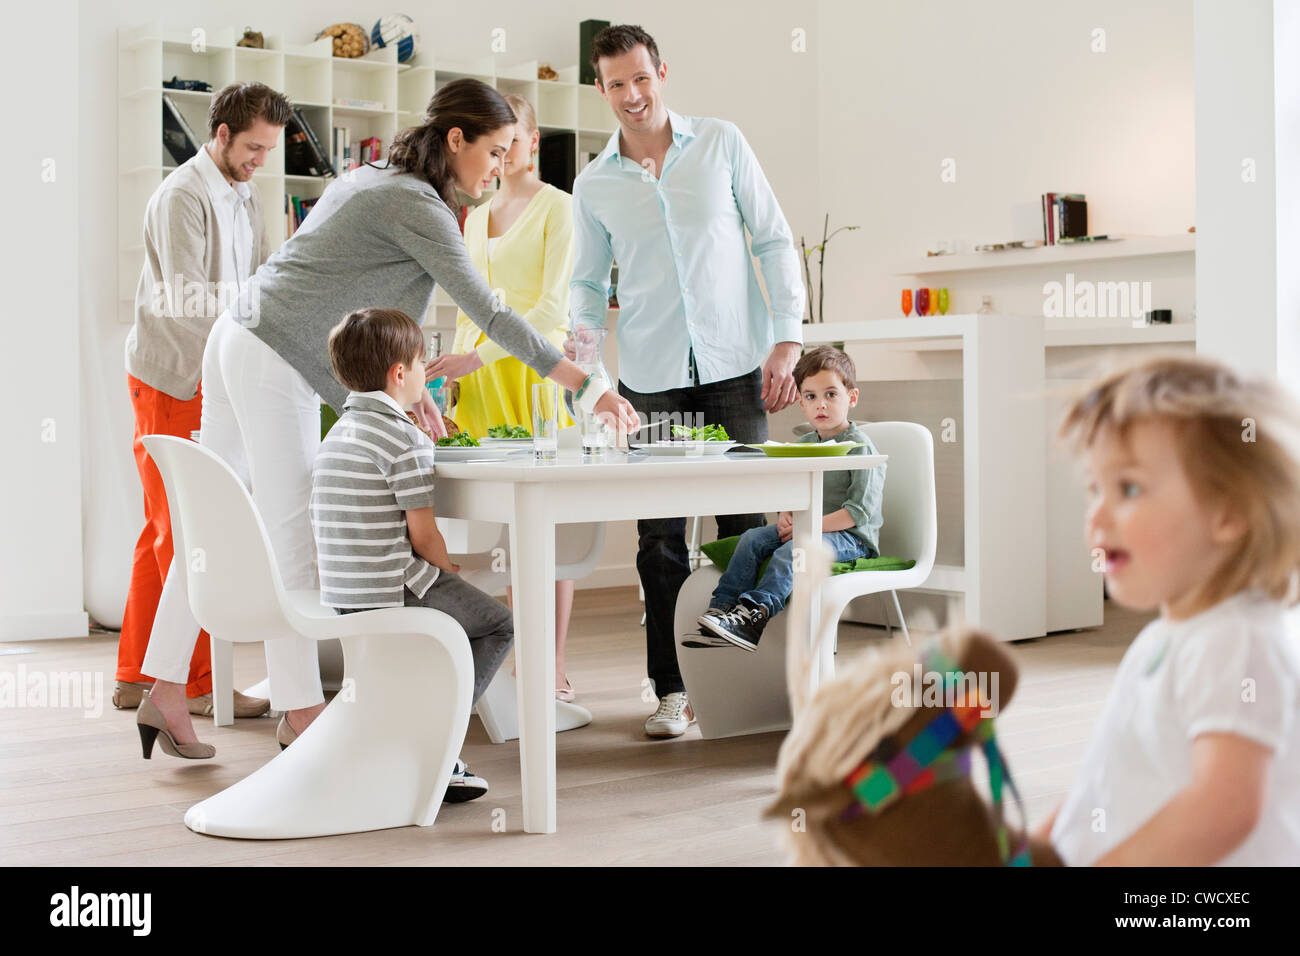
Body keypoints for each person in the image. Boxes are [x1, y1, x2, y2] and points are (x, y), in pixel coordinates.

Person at [137, 78, 639, 758]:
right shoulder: (420, 205)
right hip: (276, 356)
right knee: (292, 535)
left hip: (240, 336)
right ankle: (302, 711)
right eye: (494, 151)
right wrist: (588, 387)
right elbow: (492, 315)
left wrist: (410, 390)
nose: (499, 168)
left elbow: (363, 294)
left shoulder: (375, 177)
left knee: (210, 526)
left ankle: (165, 688)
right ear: (456, 140)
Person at [571, 24, 806, 736]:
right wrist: (592, 379)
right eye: (616, 84)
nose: (632, 95)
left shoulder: (722, 143)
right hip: (651, 379)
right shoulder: (594, 183)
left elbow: (772, 237)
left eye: (641, 78)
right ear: (601, 88)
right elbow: (586, 289)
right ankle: (672, 688)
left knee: (747, 530)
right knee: (661, 540)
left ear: (662, 73)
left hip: (736, 364)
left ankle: (743, 684)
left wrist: (787, 338)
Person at [1039, 355, 1300, 865]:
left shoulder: (1236, 641)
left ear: (1228, 512)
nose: (1097, 515)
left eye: (1129, 488)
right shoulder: (1170, 637)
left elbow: (1224, 807)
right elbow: (1104, 780)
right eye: (1094, 488)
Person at [118, 83, 291, 719]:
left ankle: (136, 675)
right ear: (221, 135)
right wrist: (244, 353)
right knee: (187, 529)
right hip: (175, 377)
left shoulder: (247, 195)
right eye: (253, 148)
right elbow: (186, 299)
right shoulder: (181, 196)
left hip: (216, 373)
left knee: (162, 525)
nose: (260, 161)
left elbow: (265, 278)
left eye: (268, 150)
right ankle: (192, 684)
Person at [310, 308, 511, 800]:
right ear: (400, 374)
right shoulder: (404, 438)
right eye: (422, 363)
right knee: (499, 625)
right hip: (391, 587)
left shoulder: (339, 432)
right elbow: (424, 537)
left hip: (343, 591)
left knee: (444, 630)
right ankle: (435, 742)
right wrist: (448, 569)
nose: (427, 373)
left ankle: (410, 739)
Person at [429, 94, 579, 702]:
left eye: (515, 139)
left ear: (533, 141)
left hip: (534, 375)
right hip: (478, 381)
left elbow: (549, 309)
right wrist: (456, 371)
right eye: (498, 141)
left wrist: (480, 356)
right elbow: (470, 305)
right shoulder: (471, 215)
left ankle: (550, 664)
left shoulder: (560, 208)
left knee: (546, 527)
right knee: (496, 523)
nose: (505, 152)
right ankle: (489, 655)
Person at [692, 347, 884, 650]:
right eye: (811, 396)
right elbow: (791, 491)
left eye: (831, 394)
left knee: (793, 551)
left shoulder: (860, 447)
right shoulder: (804, 444)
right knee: (751, 539)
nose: (821, 404)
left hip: (851, 537)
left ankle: (754, 616)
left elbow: (857, 512)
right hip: (808, 526)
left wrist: (807, 527)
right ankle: (722, 611)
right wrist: (786, 513)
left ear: (852, 397)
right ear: (801, 403)